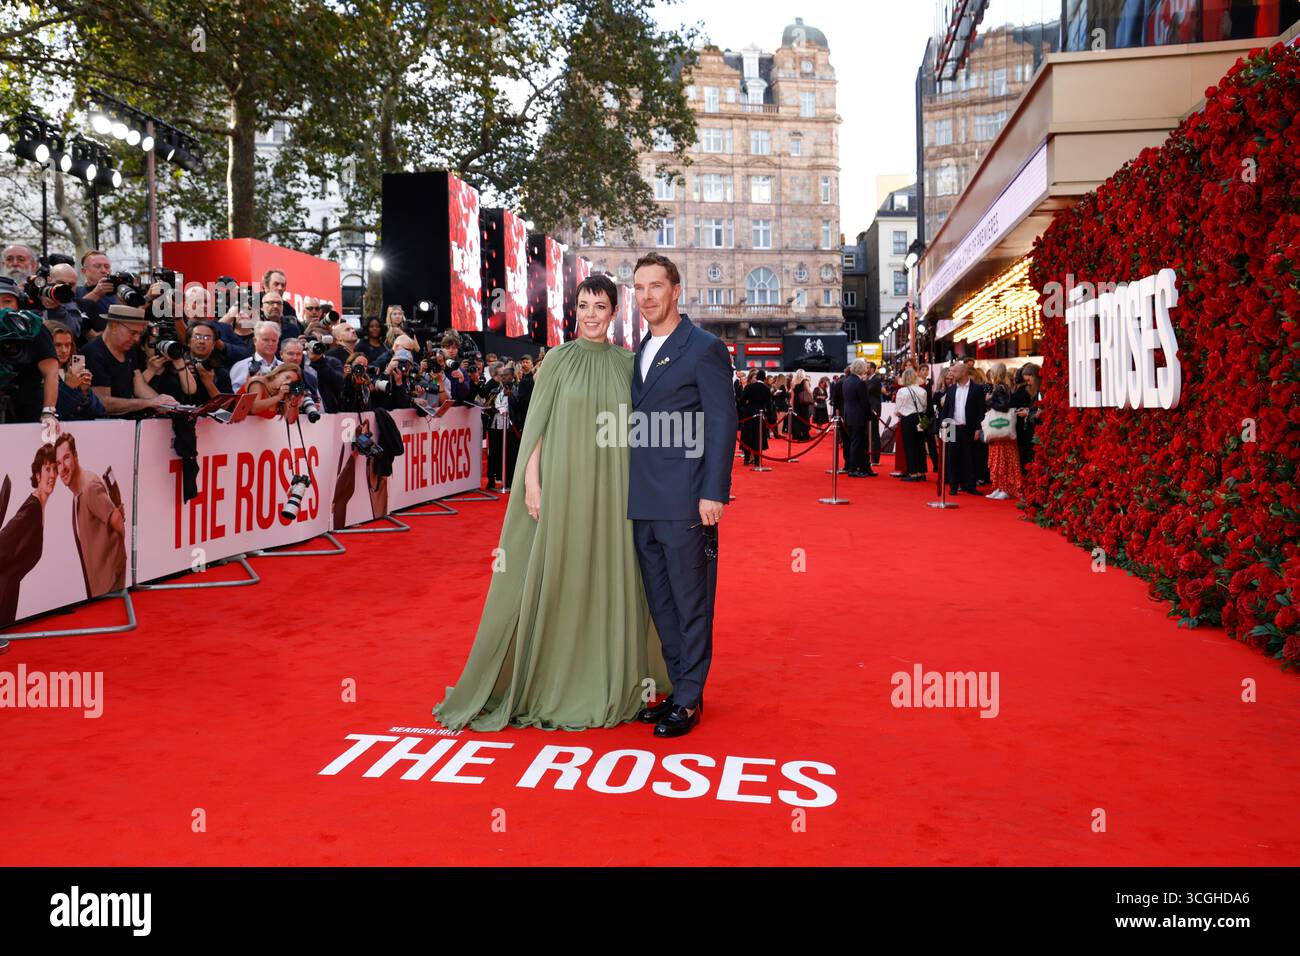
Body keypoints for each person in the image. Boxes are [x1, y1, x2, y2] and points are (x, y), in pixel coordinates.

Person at [433, 272, 671, 732]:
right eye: (584, 306)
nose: (591, 315)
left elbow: (639, 431)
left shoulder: (629, 364)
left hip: (616, 489)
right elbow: (537, 427)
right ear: (574, 311)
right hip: (563, 485)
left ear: (614, 313)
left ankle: (607, 675)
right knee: (561, 572)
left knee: (610, 575)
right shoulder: (556, 361)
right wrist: (532, 482)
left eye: (600, 307)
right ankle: (553, 675)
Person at [628, 253, 736, 737]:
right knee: (662, 602)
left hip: (688, 500)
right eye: (639, 288)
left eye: (656, 286)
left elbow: (721, 423)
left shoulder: (704, 348)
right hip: (644, 499)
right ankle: (679, 686)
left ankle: (690, 700)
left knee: (692, 602)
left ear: (676, 290)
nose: (647, 296)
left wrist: (713, 492)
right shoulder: (640, 350)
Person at [54, 433, 127, 598]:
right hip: (100, 583)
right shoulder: (78, 492)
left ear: (76, 456)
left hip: (109, 581)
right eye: (58, 463)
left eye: (66, 458)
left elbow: (118, 521)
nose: (62, 468)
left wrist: (116, 564)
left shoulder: (89, 488)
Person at [79, 305, 178, 417]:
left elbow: (139, 386)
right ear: (114, 326)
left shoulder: (128, 349)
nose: (136, 339)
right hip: (99, 426)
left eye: (139, 334)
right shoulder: (93, 353)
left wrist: (167, 405)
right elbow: (103, 403)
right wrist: (150, 403)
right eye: (132, 333)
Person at [0, 443, 58, 627]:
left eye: (55, 469)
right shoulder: (31, 509)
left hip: (9, 593)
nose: (52, 475)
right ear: (38, 475)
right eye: (47, 469)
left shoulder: (37, 508)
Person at [940, 360, 986, 495]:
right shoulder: (951, 389)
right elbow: (946, 409)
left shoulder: (976, 389)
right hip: (952, 427)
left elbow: (981, 410)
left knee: (969, 457)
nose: (951, 374)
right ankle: (953, 486)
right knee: (952, 457)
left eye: (954, 371)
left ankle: (969, 485)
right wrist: (942, 428)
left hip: (969, 428)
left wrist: (978, 428)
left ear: (963, 372)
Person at [46, 320, 105, 421]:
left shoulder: (72, 372)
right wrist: (68, 387)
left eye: (68, 345)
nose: (64, 350)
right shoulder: (38, 375)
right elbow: (50, 414)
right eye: (58, 345)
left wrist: (85, 392)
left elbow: (99, 412)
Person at [984, 363, 1026, 500]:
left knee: (1004, 460)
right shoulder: (1000, 387)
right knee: (998, 460)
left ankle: (1006, 488)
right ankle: (999, 487)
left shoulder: (1001, 387)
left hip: (1002, 430)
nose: (990, 374)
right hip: (999, 431)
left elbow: (1004, 406)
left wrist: (989, 401)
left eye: (992, 372)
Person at [841, 359, 877, 477]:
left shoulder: (846, 381)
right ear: (861, 368)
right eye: (865, 367)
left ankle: (864, 467)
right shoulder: (859, 383)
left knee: (858, 443)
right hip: (859, 417)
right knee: (857, 443)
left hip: (849, 416)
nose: (867, 369)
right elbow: (864, 402)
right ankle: (853, 469)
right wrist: (870, 415)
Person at [893, 368, 929, 481]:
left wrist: (900, 413)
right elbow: (925, 407)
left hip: (907, 419)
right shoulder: (922, 391)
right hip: (921, 419)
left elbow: (897, 410)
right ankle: (921, 472)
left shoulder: (902, 391)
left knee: (909, 446)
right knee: (920, 446)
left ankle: (912, 473)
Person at [229, 321, 283, 391]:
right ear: (255, 341)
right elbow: (235, 398)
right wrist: (248, 385)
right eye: (265, 340)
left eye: (274, 340)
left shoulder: (284, 367)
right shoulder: (241, 366)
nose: (270, 343)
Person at [239, 362, 304, 419]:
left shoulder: (282, 391)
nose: (288, 382)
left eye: (292, 382)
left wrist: (294, 403)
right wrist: (278, 397)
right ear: (277, 374)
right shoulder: (257, 382)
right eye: (287, 377)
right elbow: (254, 408)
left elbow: (290, 420)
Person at [738, 369, 773, 465]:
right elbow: (769, 406)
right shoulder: (766, 389)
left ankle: (746, 459)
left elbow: (741, 401)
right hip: (760, 415)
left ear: (757, 377)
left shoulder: (749, 387)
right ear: (765, 378)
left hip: (749, 414)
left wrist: (743, 409)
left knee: (747, 436)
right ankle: (757, 460)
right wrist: (770, 419)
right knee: (758, 437)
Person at [790, 368, 814, 440]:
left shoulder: (793, 382)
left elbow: (792, 396)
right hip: (803, 402)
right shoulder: (805, 381)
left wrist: (792, 405)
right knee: (804, 418)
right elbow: (809, 391)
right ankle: (805, 435)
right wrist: (812, 398)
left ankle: (797, 435)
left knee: (797, 419)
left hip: (796, 402)